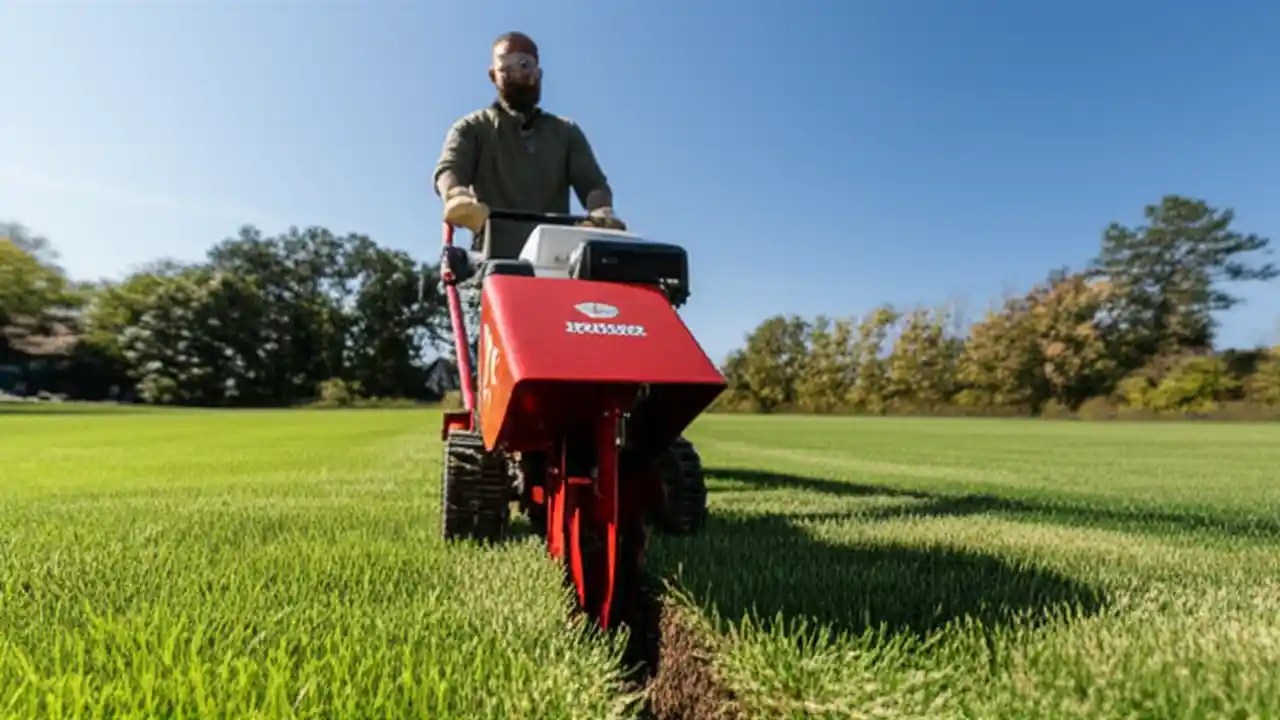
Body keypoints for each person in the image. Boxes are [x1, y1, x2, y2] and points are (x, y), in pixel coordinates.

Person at [433, 30, 625, 271]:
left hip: (555, 265)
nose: (520, 74)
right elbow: (449, 168)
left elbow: (594, 184)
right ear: (493, 75)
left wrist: (601, 211)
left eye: (526, 65)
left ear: (539, 72)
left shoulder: (566, 132)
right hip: (492, 265)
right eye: (508, 67)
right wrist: (455, 194)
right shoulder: (472, 128)